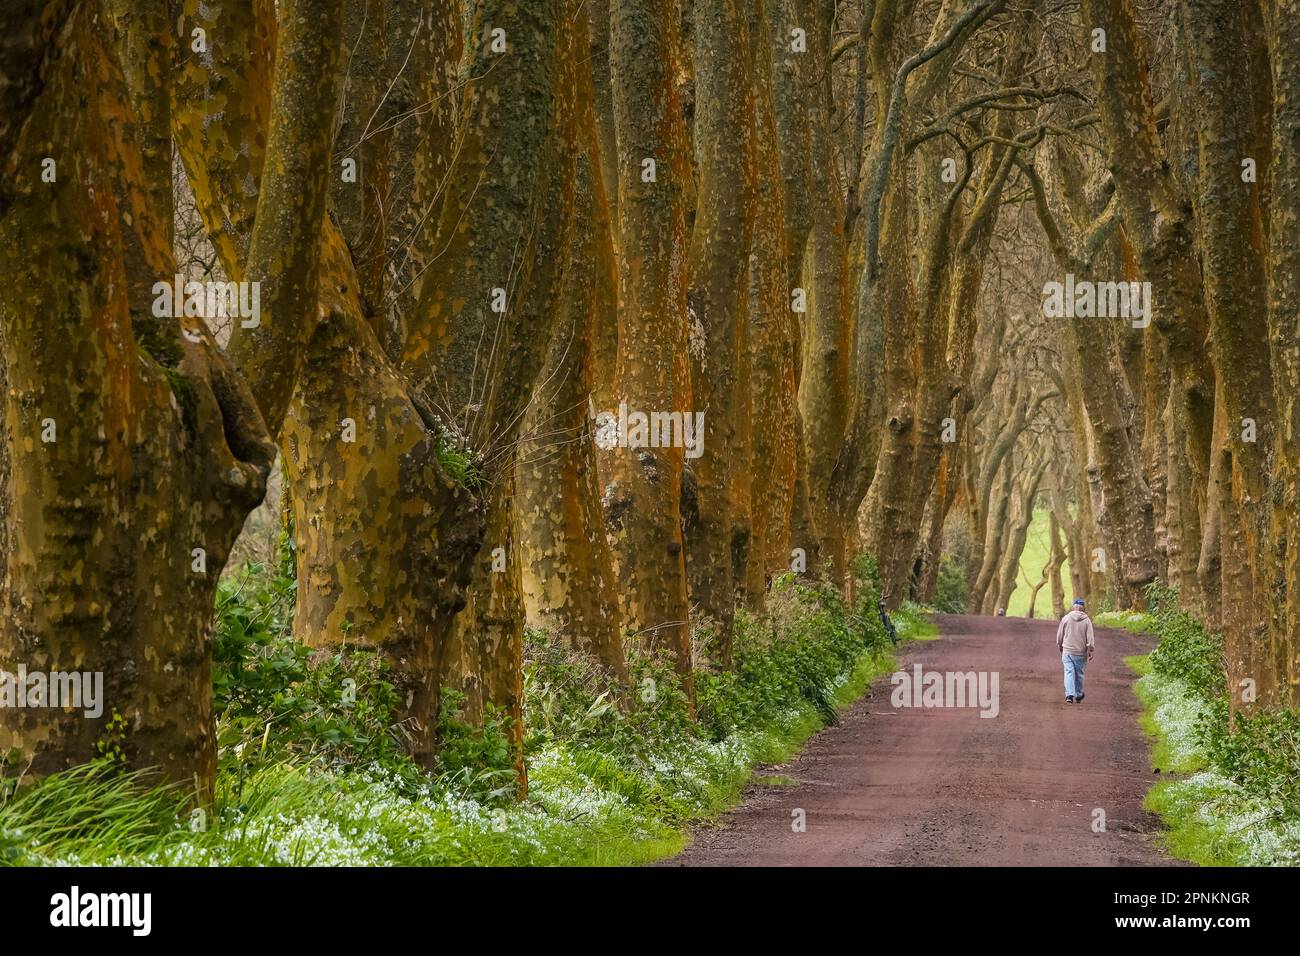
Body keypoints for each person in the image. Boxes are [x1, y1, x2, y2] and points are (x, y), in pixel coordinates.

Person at [1056, 597, 1095, 704]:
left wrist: (1059, 644)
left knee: (1068, 672)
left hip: (1067, 651)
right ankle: (1078, 694)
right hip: (1080, 652)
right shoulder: (1087, 621)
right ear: (1083, 608)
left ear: (1074, 607)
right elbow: (1090, 639)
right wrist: (1090, 650)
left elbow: (1060, 634)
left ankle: (1069, 695)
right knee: (1080, 673)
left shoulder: (1066, 618)